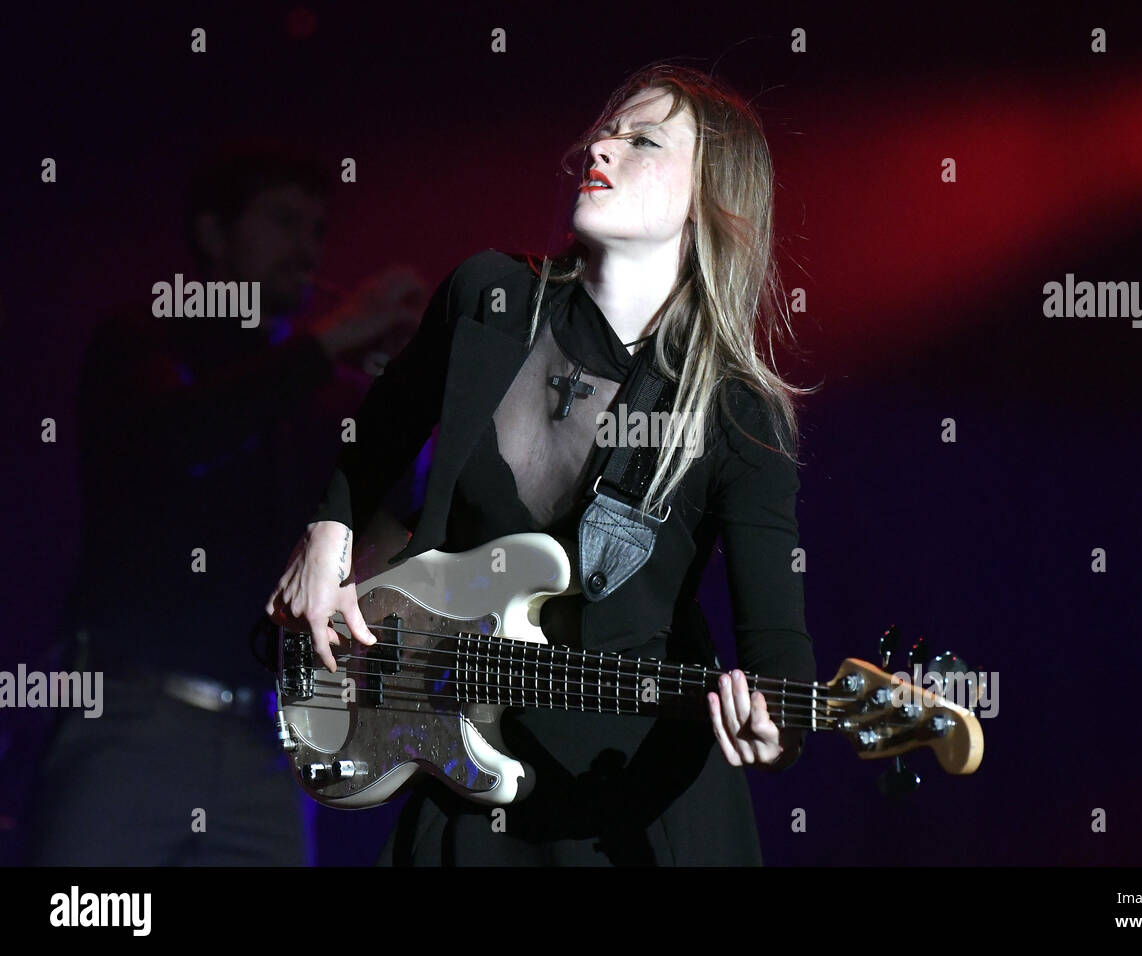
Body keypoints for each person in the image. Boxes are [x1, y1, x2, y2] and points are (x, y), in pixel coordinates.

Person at [266, 63, 817, 865]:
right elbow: (374, 434)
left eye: (643, 140)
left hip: (626, 809)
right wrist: (327, 529)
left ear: (710, 202)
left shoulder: (735, 411)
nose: (601, 144)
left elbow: (776, 651)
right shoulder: (486, 297)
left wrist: (782, 730)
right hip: (462, 772)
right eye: (606, 129)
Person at [29, 143, 429, 865]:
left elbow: (393, 541)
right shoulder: (145, 337)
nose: (305, 248)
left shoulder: (327, 392)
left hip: (267, 742)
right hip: (132, 719)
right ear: (214, 233)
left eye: (315, 229)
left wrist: (407, 398)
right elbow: (179, 441)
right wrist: (333, 335)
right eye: (282, 221)